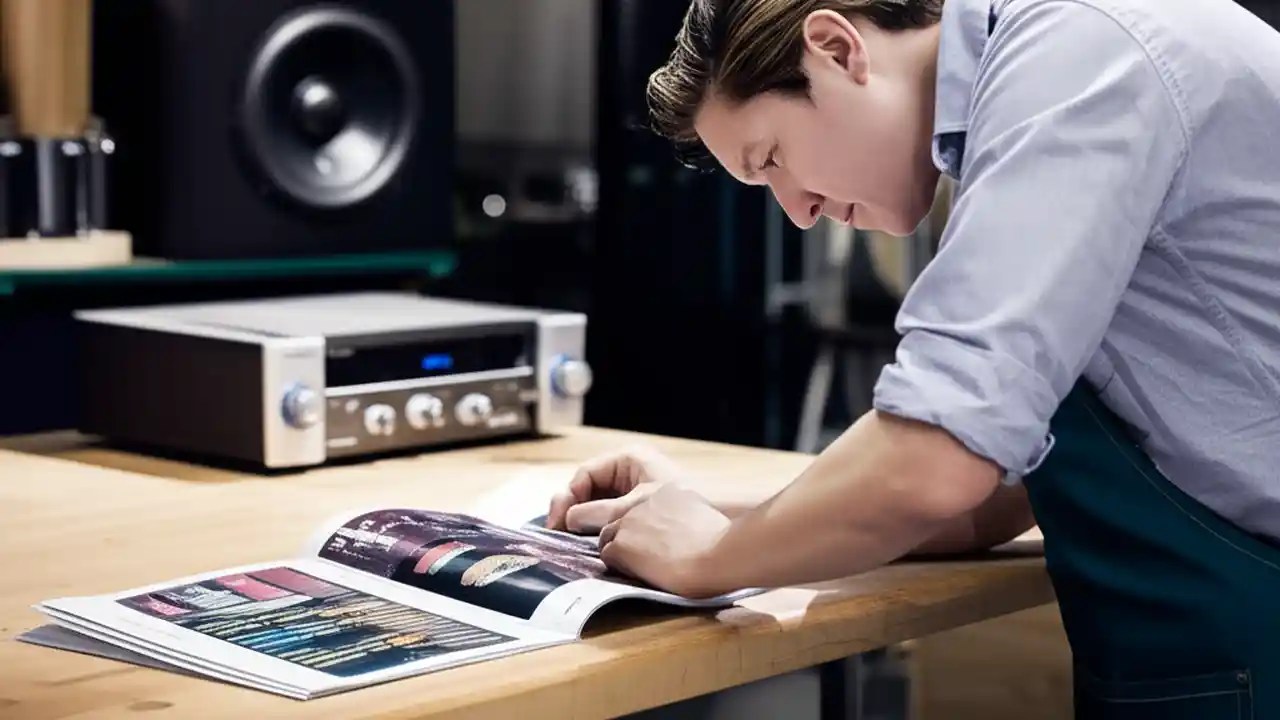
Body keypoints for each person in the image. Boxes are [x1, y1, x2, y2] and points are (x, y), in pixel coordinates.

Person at [547, 0, 1280, 715]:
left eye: (772, 158)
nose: (797, 210)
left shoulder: (1080, 56)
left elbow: (936, 465)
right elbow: (991, 490)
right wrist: (712, 512)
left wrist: (711, 558)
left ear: (837, 50)